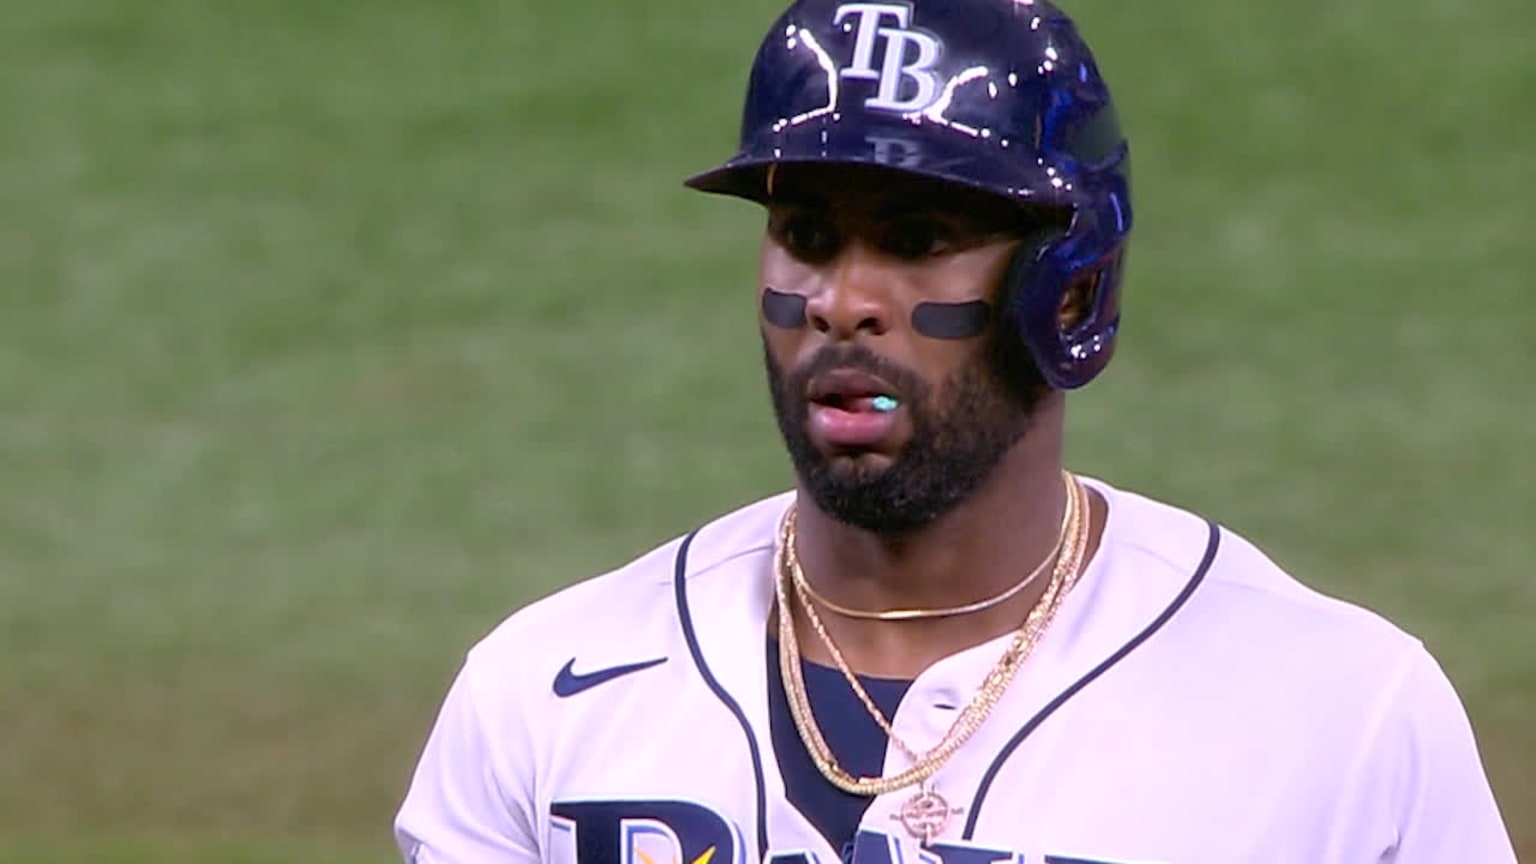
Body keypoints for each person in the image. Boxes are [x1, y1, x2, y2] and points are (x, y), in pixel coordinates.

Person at [392, 0, 1520, 861]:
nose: (843, 298)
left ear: (1068, 290)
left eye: (920, 237)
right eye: (809, 233)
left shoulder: (1339, 712)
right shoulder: (544, 691)